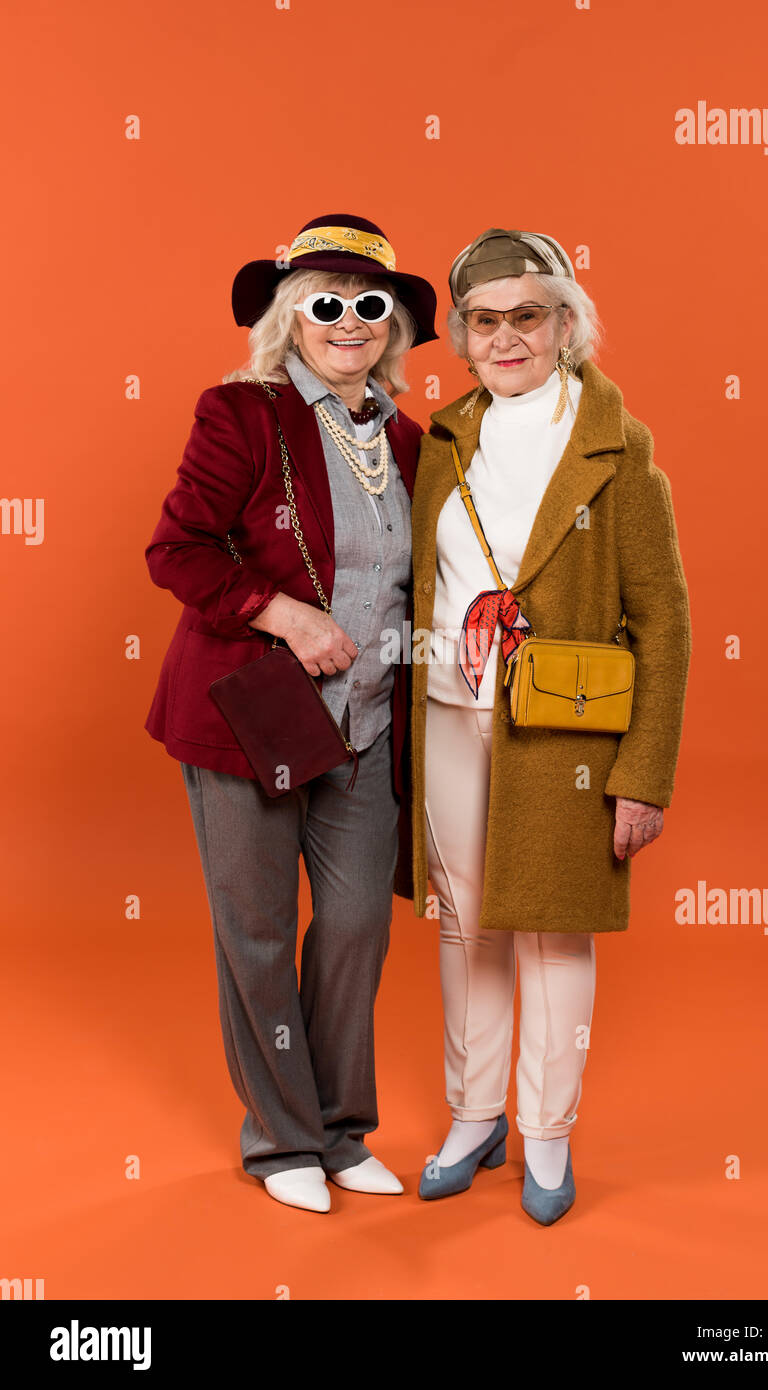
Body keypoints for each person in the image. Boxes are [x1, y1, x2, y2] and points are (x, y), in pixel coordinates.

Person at [144, 214, 437, 1213]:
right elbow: (178, 549)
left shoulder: (408, 439)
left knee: (355, 924)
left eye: (369, 304)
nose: (347, 320)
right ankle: (282, 1141)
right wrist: (280, 611)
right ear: (291, 317)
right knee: (258, 934)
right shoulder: (242, 412)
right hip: (250, 719)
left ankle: (342, 1127)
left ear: (392, 326)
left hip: (363, 730)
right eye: (325, 303)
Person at [409, 227, 691, 1224]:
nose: (505, 337)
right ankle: (475, 1114)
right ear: (461, 334)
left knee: (555, 934)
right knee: (466, 923)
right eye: (483, 320)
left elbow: (663, 618)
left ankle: (548, 1135)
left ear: (566, 321)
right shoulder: (443, 440)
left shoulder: (616, 443)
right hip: (448, 712)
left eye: (526, 314)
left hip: (565, 736)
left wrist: (642, 772)